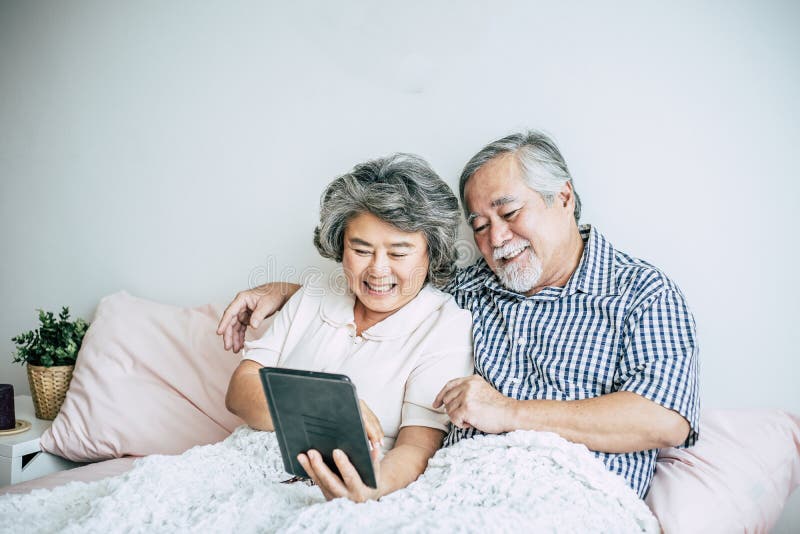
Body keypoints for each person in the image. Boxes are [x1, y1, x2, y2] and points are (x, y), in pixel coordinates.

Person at [219, 131, 699, 499]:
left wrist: (509, 412)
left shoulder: (641, 293)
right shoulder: (475, 285)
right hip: (455, 494)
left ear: (565, 198)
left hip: (572, 495)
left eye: (509, 213)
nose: (496, 239)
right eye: (481, 225)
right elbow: (388, 284)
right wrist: (287, 292)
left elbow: (665, 418)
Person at [224, 153, 473, 503]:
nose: (378, 270)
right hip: (245, 467)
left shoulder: (445, 325)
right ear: (341, 246)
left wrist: (371, 488)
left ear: (431, 253)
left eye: (399, 253)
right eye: (361, 249)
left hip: (353, 482)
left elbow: (417, 445)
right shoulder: (314, 293)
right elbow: (239, 392)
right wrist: (329, 410)